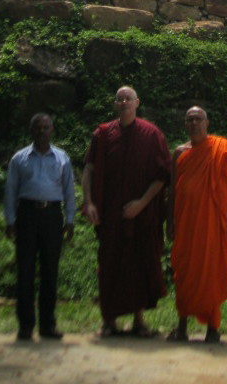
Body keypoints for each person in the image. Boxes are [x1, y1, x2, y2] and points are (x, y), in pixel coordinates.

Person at [82, 86, 171, 337]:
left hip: (140, 215)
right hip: (110, 214)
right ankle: (108, 321)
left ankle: (139, 320)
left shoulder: (152, 135)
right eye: (119, 99)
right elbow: (88, 169)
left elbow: (162, 176)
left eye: (128, 99)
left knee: (138, 264)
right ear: (115, 103)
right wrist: (88, 202)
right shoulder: (102, 134)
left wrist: (141, 204)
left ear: (137, 102)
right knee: (109, 264)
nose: (124, 102)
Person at [167, 105, 227, 343]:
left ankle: (212, 328)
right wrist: (169, 221)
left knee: (211, 272)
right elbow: (172, 191)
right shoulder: (179, 153)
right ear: (185, 125)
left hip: (213, 224)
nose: (194, 124)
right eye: (189, 120)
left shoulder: (222, 150)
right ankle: (182, 326)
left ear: (207, 123)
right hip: (186, 224)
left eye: (198, 119)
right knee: (184, 272)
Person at [4, 113, 75, 342]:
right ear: (31, 131)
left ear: (52, 130)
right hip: (26, 215)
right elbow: (11, 191)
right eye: (38, 128)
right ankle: (25, 326)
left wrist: (70, 219)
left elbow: (69, 191)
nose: (42, 131)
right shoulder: (19, 159)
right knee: (25, 271)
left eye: (46, 127)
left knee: (49, 272)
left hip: (52, 216)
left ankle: (47, 325)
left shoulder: (62, 158)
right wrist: (10, 220)